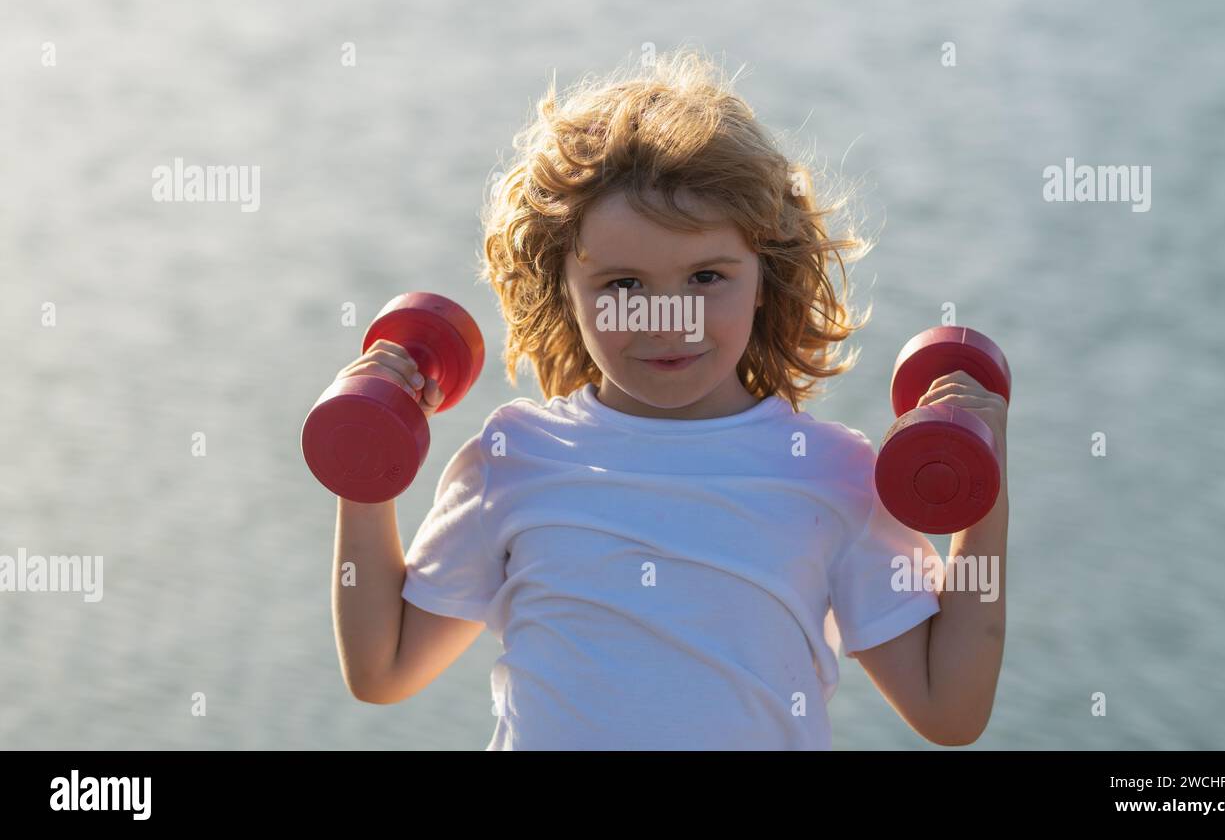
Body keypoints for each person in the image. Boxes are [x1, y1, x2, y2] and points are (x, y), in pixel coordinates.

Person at [331, 46, 1009, 749]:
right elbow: (383, 670)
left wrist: (985, 493)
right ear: (562, 292)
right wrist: (365, 463)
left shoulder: (832, 476)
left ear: (766, 276)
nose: (668, 318)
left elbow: (948, 711)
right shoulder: (516, 460)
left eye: (707, 277)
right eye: (623, 285)